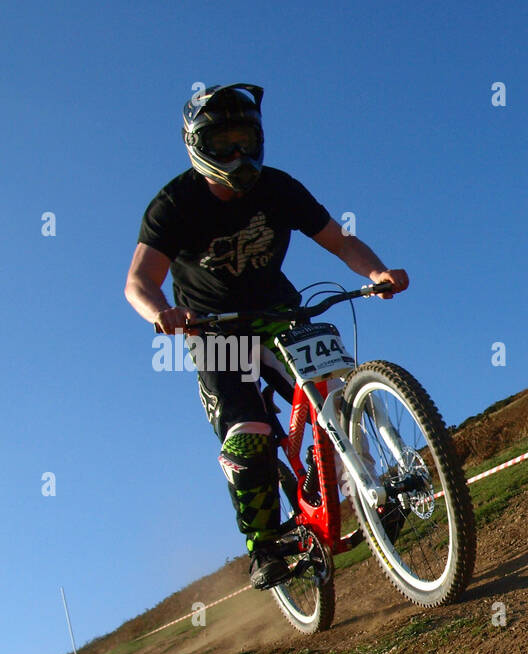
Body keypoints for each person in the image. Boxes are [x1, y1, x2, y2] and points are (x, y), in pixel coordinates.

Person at [124, 83, 408, 588]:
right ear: (197, 146)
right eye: (222, 142)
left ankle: (366, 493)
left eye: (245, 138)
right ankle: (262, 545)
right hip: (213, 330)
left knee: (338, 392)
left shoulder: (279, 188)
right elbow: (138, 282)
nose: (237, 154)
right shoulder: (174, 204)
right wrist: (161, 312)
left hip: (279, 313)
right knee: (249, 433)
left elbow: (339, 240)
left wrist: (377, 274)